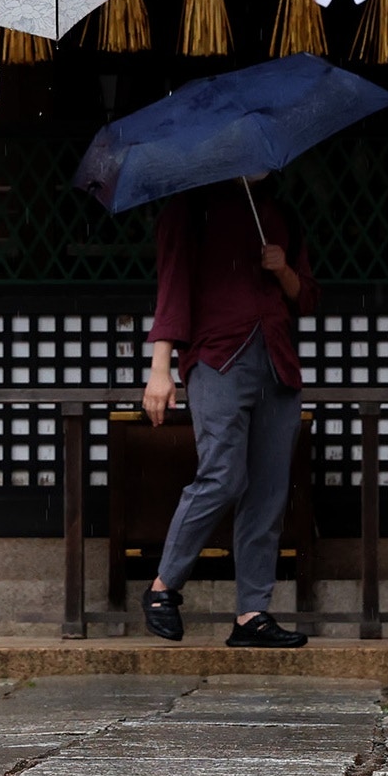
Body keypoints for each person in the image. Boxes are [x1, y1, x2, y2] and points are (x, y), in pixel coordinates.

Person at [138, 173, 319, 649]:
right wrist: (161, 369)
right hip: (217, 357)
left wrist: (282, 270)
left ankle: (251, 614)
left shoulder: (280, 213)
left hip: (278, 363)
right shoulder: (189, 208)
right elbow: (172, 286)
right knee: (223, 475)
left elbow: (309, 296)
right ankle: (163, 587)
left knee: (268, 492)